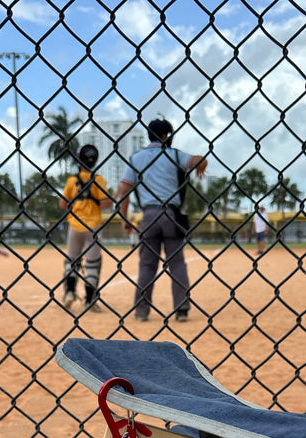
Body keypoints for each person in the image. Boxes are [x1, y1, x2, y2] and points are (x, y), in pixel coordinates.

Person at [115, 118, 207, 322]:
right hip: (171, 215)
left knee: (147, 265)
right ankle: (181, 309)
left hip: (148, 215)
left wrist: (124, 217)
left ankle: (141, 311)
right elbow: (198, 160)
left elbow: (124, 190)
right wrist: (200, 164)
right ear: (166, 136)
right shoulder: (174, 154)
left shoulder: (136, 158)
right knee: (177, 263)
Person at [59, 144, 112, 312]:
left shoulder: (72, 181)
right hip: (93, 226)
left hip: (75, 225)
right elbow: (105, 203)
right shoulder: (98, 180)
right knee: (92, 263)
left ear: (79, 162)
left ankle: (69, 292)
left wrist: (77, 201)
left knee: (72, 260)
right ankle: (89, 301)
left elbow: (63, 203)